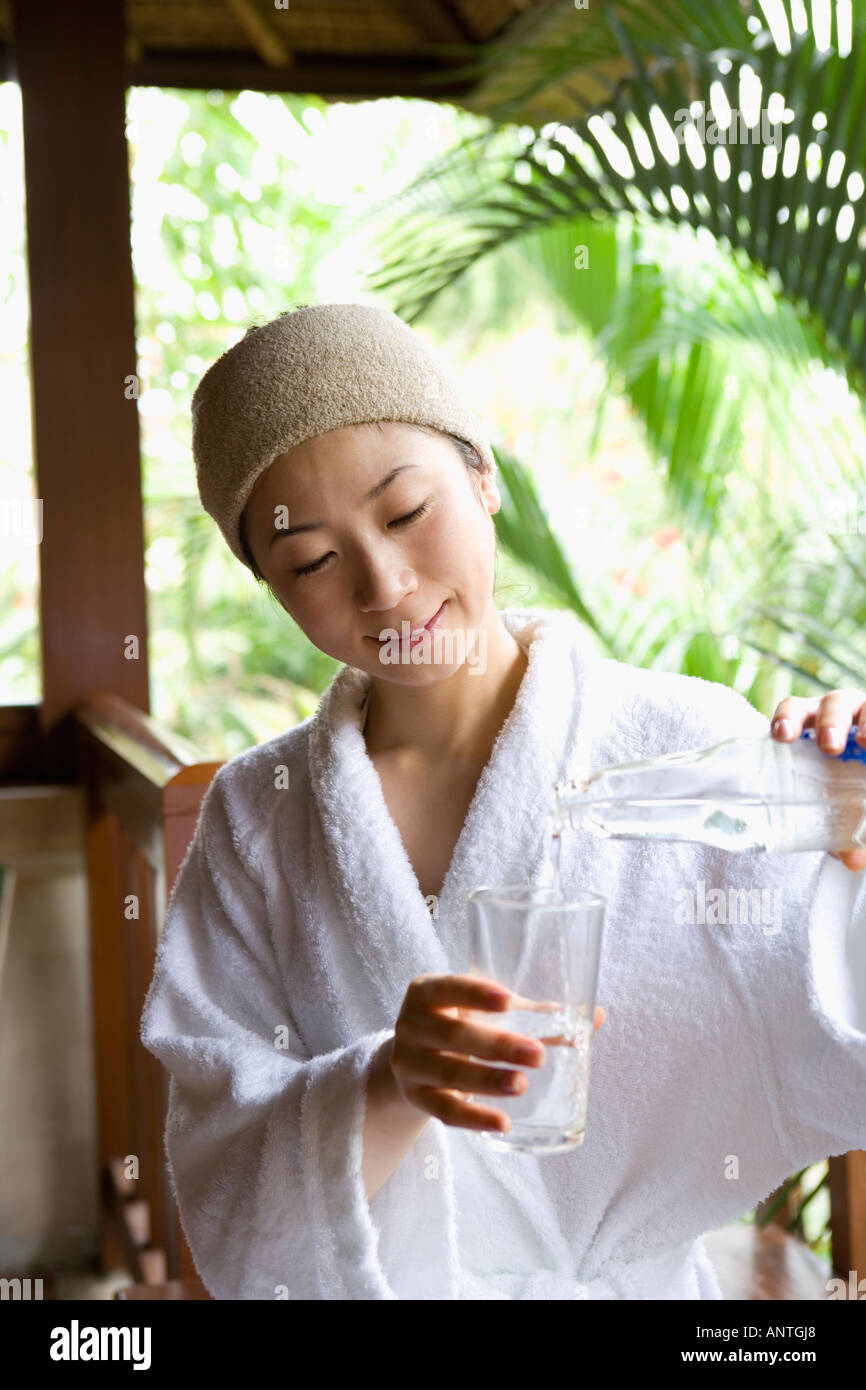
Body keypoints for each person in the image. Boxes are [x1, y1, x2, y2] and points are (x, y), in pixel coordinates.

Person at [140, 301, 866, 1300]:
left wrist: (859, 826)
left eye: (403, 512)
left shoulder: (688, 741)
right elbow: (226, 1194)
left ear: (482, 477)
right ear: (271, 584)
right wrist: (387, 1080)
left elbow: (841, 1030)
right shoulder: (258, 816)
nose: (384, 584)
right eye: (311, 560)